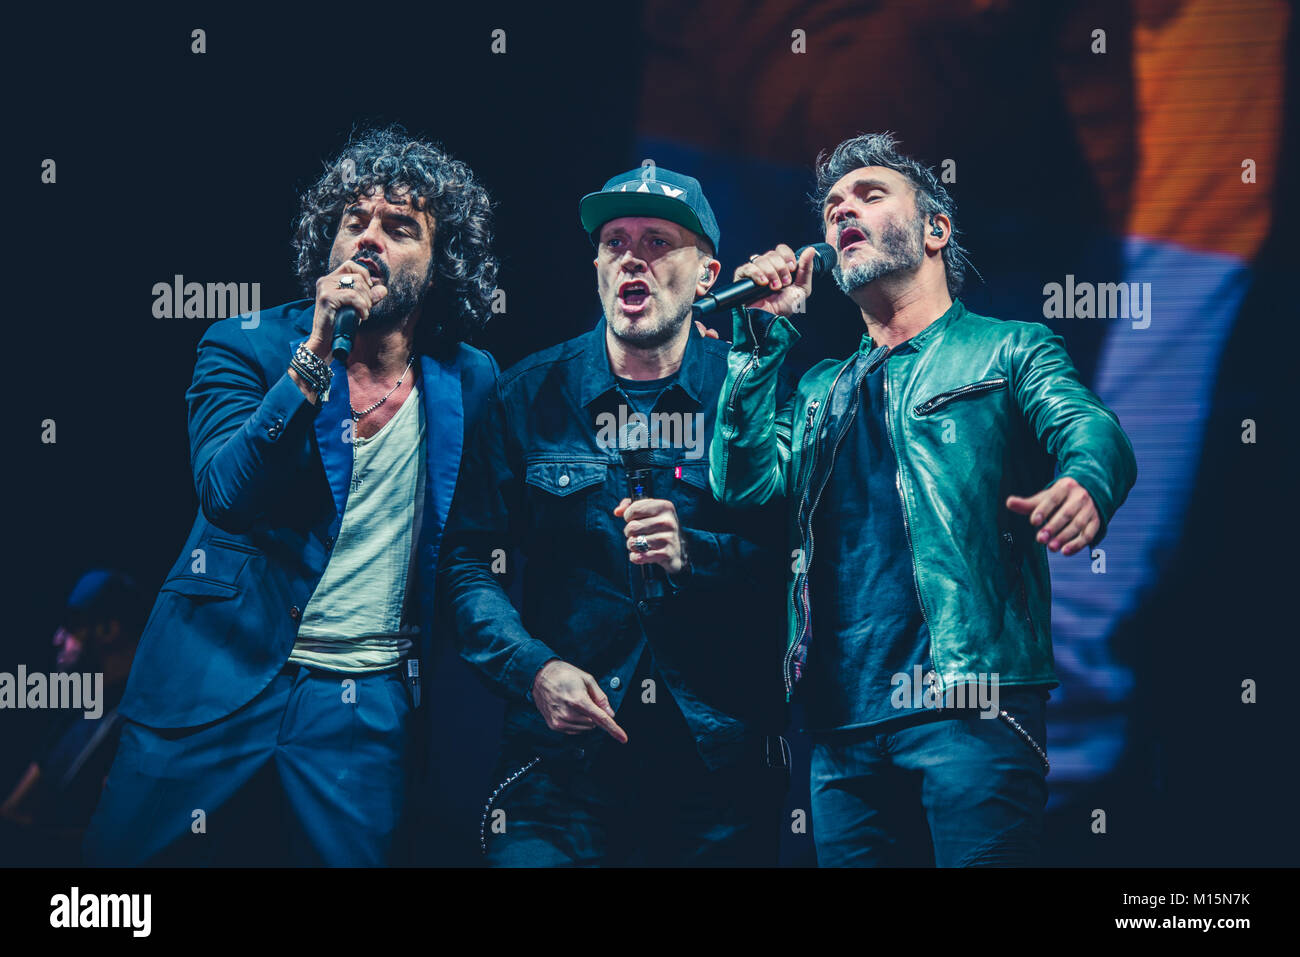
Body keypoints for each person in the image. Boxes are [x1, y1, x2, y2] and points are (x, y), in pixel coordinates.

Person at [711, 132, 1137, 866]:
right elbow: (742, 484)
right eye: (834, 206)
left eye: (870, 196)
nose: (844, 210)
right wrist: (761, 342)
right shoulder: (817, 390)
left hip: (970, 704)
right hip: (843, 725)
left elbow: (1090, 426)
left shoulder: (1007, 348)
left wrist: (1086, 481)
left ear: (935, 229)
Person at [82, 127, 500, 865]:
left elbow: (467, 551)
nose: (369, 237)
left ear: (441, 265)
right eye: (354, 220)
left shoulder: (468, 378)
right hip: (215, 673)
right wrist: (312, 361)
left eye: (400, 227)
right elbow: (226, 495)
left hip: (363, 703)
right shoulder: (245, 345)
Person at [439, 166, 790, 866]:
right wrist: (533, 668)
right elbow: (465, 564)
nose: (632, 256)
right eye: (614, 242)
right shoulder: (528, 395)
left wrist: (696, 554)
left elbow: (802, 561)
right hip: (559, 774)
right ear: (597, 267)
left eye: (658, 241)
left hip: (718, 770)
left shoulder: (749, 388)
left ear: (706, 275)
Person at [1, 570, 144, 864]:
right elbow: (15, 809)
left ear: (109, 629)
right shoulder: (76, 713)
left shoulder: (141, 720)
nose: (58, 639)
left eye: (72, 626)